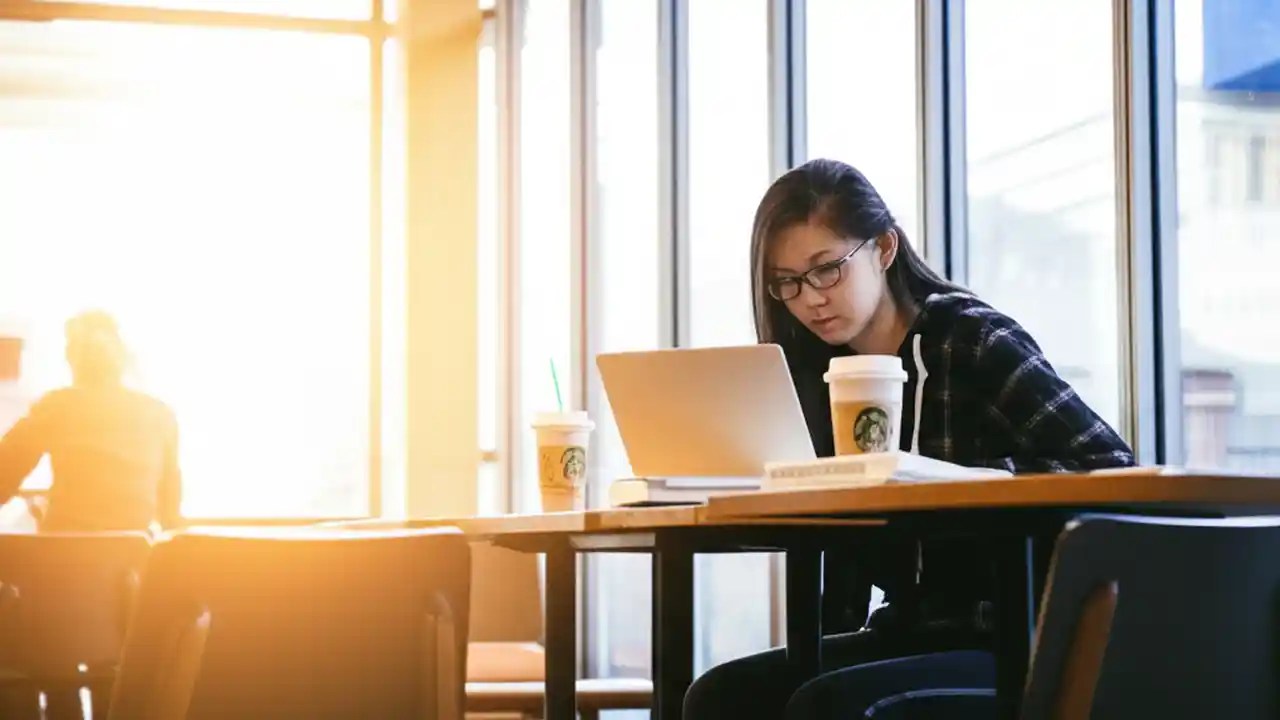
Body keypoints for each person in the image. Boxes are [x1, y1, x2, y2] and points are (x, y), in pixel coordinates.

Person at [682, 159, 1134, 719]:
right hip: (907, 631)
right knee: (719, 698)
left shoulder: (968, 339)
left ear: (884, 249)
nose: (811, 299)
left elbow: (1113, 469)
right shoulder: (822, 376)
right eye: (788, 283)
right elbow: (839, 555)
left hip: (1010, 637)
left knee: (824, 705)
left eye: (828, 270)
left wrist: (971, 482)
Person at [0, 311, 181, 532]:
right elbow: (169, 512)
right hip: (130, 558)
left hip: (62, 557)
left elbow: (4, 476)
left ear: (71, 357)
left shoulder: (57, 406)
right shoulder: (159, 414)